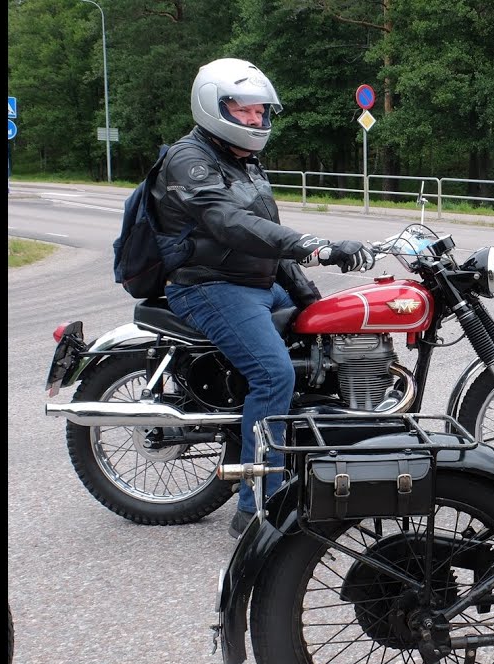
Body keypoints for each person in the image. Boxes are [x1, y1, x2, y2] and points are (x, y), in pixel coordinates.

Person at [154, 58, 374, 537]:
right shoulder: (189, 160)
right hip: (208, 286)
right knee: (273, 374)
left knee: (327, 336)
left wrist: (307, 291)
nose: (256, 120)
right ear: (214, 107)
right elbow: (229, 223)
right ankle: (258, 509)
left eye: (260, 112)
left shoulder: (243, 161)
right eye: (245, 110)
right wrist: (312, 244)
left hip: (252, 283)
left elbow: (264, 238)